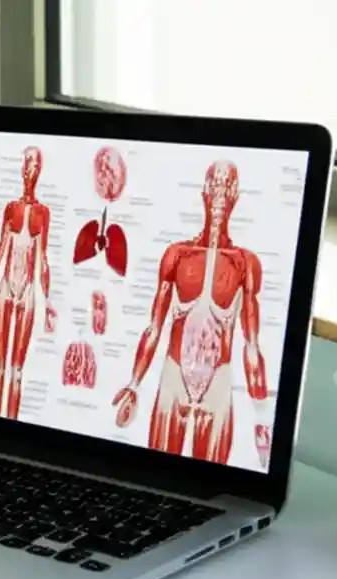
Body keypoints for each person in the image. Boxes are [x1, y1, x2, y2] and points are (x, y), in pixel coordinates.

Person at [112, 160, 273, 467]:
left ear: (236, 194)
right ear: (203, 192)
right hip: (174, 375)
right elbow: (153, 329)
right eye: (214, 184)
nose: (220, 194)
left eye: (227, 186)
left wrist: (262, 414)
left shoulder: (244, 263)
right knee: (154, 478)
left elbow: (252, 346)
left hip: (218, 385)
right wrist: (134, 384)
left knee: (209, 488)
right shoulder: (177, 255)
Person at [0, 147, 56, 419]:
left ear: (39, 171)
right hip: (6, 287)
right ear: (22, 169)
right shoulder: (11, 209)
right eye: (26, 163)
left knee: (17, 372)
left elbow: (42, 258)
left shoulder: (43, 213)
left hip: (28, 292)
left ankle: (10, 428)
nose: (29, 169)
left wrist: (49, 301)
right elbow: (0, 249)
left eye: (34, 164)